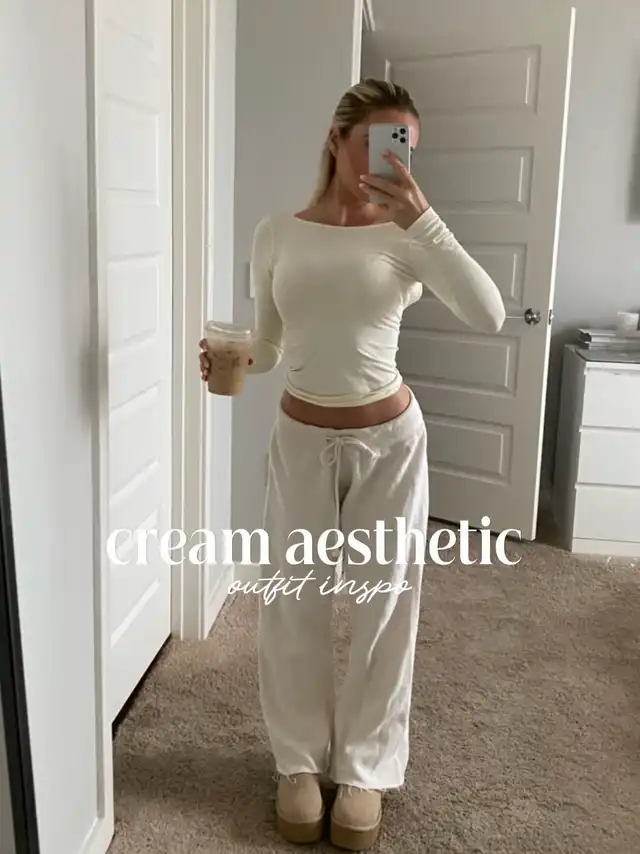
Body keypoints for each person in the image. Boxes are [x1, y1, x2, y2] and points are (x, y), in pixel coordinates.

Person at [199, 78, 505, 851]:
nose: (391, 163)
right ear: (337, 140)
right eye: (377, 142)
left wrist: (424, 218)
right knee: (292, 602)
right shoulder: (278, 233)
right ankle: (298, 762)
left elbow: (489, 312)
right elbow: (272, 346)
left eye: (404, 149)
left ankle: (366, 768)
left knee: (384, 606)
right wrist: (232, 360)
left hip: (389, 444)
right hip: (300, 438)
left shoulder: (409, 235)